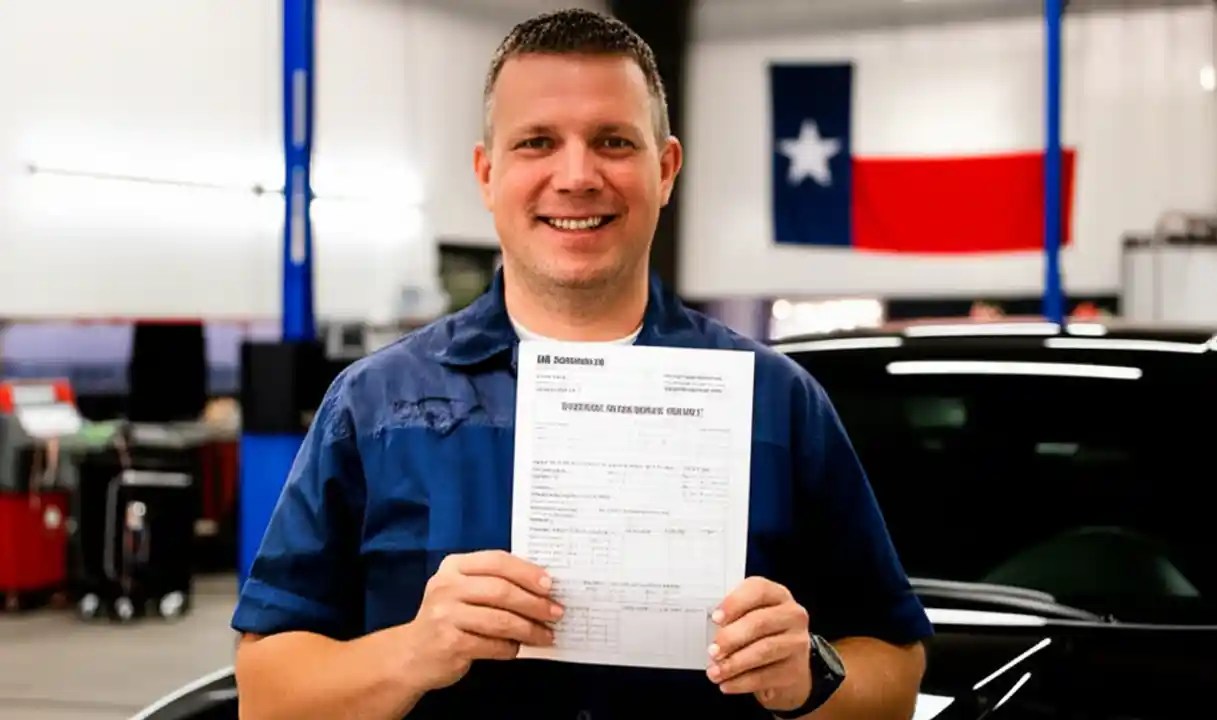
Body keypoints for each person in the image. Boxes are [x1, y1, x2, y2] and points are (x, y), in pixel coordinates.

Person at [232, 8, 931, 719]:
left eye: (613, 142)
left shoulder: (775, 402)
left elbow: (896, 673)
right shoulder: (375, 406)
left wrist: (809, 676)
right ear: (487, 172)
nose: (576, 176)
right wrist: (413, 651)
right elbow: (265, 694)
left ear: (665, 170)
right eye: (537, 142)